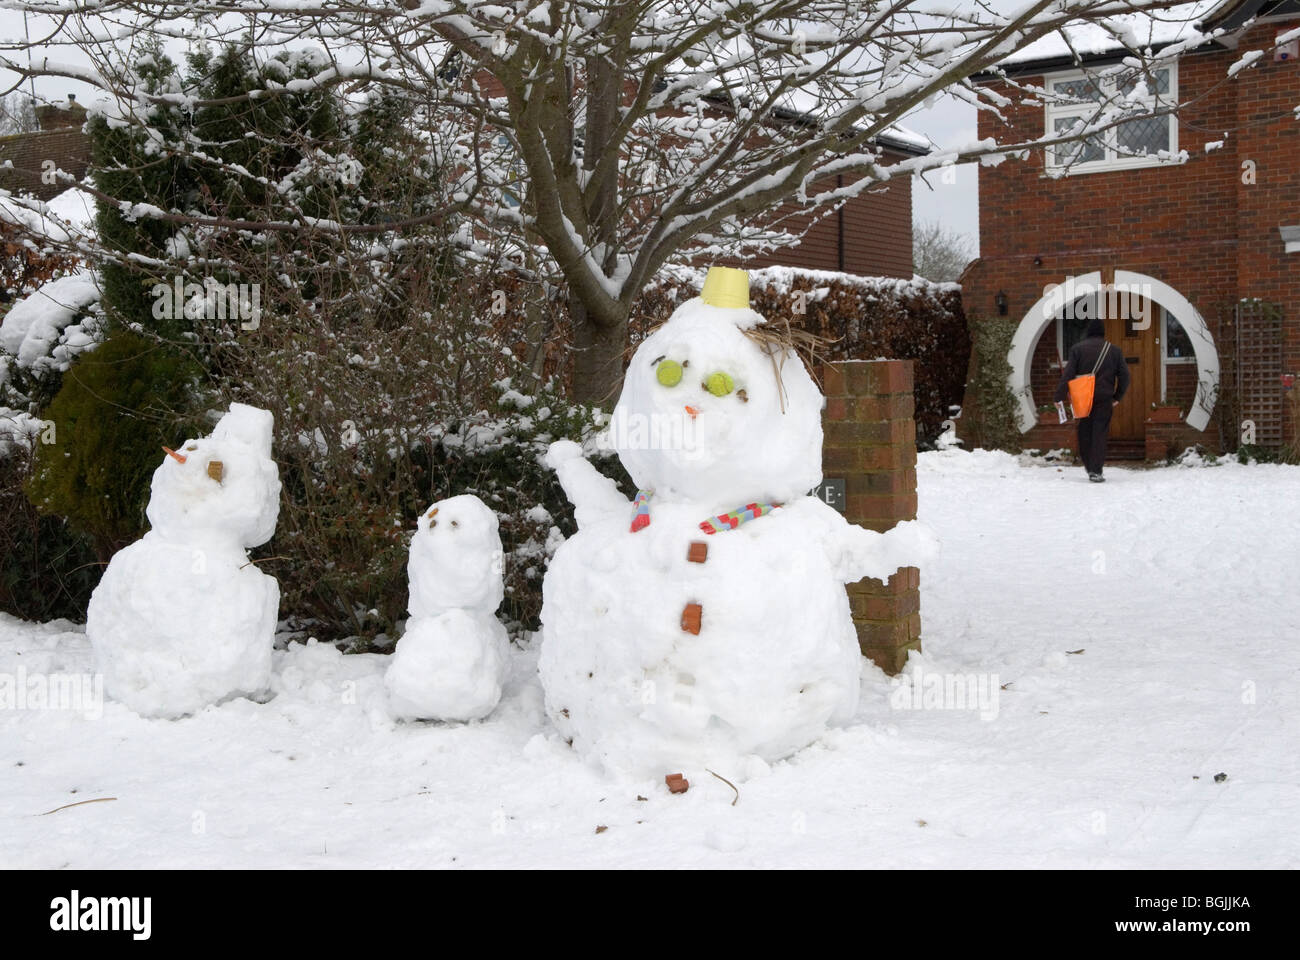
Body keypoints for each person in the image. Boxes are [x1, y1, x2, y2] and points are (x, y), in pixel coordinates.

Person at [1054, 317, 1130, 482]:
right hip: (1104, 398)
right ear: (1103, 333)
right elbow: (1125, 376)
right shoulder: (1114, 351)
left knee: (1084, 432)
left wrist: (1059, 396)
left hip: (1082, 399)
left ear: (1088, 332)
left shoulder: (1077, 349)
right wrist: (1117, 396)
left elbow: (1067, 375)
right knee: (1099, 433)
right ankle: (1096, 470)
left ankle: (1090, 466)